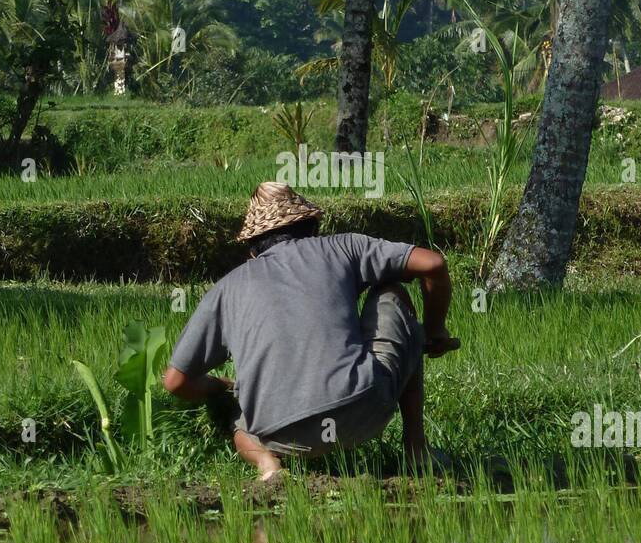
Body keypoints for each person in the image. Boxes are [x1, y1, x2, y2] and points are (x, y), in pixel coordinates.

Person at [162, 181, 459, 481]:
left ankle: (268, 467)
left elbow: (175, 382)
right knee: (393, 292)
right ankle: (417, 450)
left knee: (240, 425)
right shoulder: (342, 247)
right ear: (312, 227)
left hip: (280, 434)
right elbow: (432, 264)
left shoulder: (226, 289)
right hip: (362, 408)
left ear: (252, 249)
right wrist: (434, 332)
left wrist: (221, 386)